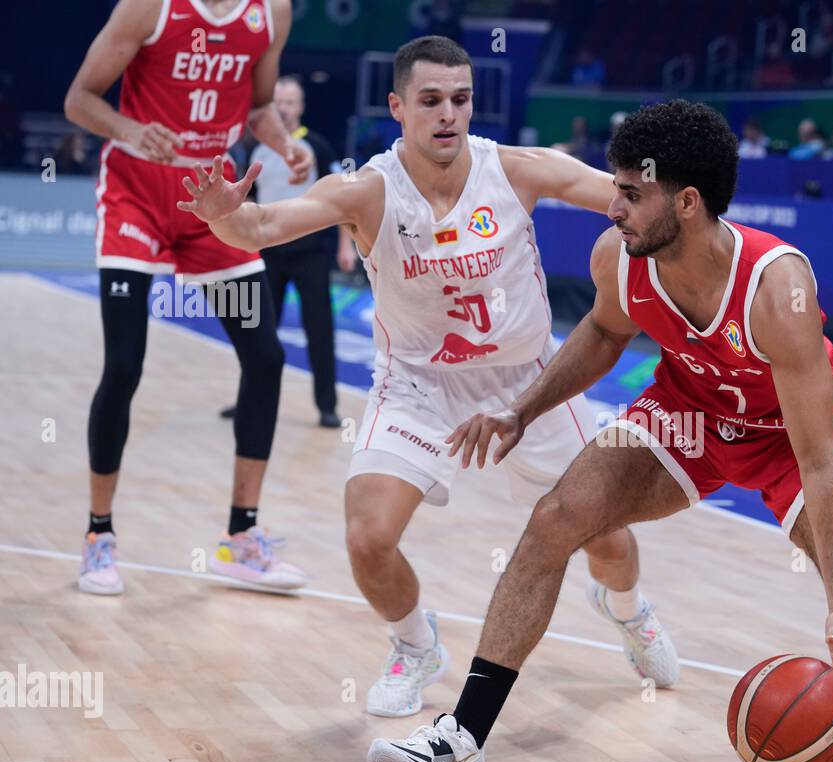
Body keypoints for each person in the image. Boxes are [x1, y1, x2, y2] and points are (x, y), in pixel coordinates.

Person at [368, 99, 833, 762]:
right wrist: (520, 412)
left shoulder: (774, 288)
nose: (613, 205)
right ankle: (459, 741)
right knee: (556, 519)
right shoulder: (619, 260)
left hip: (786, 440)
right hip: (686, 415)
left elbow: (820, 456)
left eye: (631, 192)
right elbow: (601, 332)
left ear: (686, 202)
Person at [177, 36, 680, 718]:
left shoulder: (517, 169)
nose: (448, 114)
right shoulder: (368, 190)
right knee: (367, 538)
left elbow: (625, 201)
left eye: (461, 100)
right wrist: (222, 216)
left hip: (528, 385)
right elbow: (262, 224)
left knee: (609, 542)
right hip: (417, 383)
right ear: (398, 107)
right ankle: (416, 646)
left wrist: (674, 199)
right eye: (431, 100)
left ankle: (629, 613)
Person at [64, 0, 312, 596]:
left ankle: (241, 538)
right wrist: (128, 129)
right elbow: (80, 99)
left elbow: (257, 108)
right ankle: (100, 535)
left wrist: (283, 144)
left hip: (211, 203)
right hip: (137, 197)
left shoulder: (271, 12)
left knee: (266, 356)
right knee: (124, 365)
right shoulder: (151, 7)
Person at [219, 76, 345, 427]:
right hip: (267, 255)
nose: (285, 108)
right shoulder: (258, 150)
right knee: (256, 330)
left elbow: (343, 198)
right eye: (279, 102)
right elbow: (248, 201)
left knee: (320, 330)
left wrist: (346, 247)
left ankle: (327, 406)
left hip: (312, 254)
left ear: (301, 107)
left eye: (291, 102)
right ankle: (248, 400)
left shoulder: (318, 148)